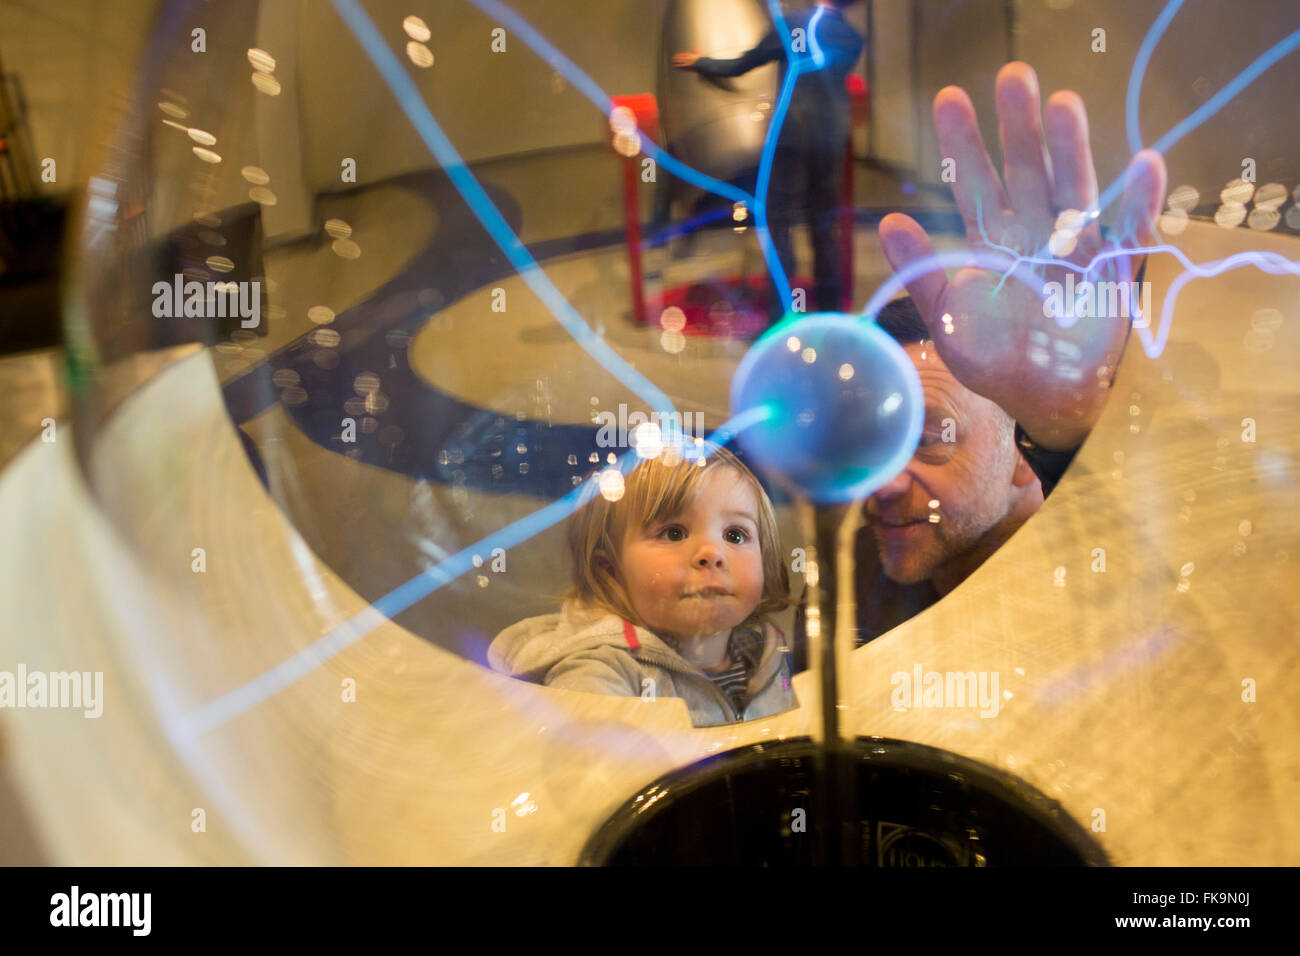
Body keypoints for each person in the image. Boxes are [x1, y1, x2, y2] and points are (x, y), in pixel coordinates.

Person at [795, 62, 1167, 662]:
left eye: (934, 437)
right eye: (877, 438)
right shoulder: (860, 571)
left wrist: (1070, 429)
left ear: (1023, 454)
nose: (883, 484)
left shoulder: (1101, 607)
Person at [489, 443, 796, 727]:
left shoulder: (765, 654)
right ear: (610, 569)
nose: (712, 554)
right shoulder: (600, 670)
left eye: (735, 535)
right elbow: (593, 769)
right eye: (674, 533)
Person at [673, 0, 865, 321]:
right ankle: (831, 313)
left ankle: (782, 315)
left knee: (779, 224)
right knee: (823, 224)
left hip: (790, 139)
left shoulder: (793, 25)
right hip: (830, 140)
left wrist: (700, 62)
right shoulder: (851, 37)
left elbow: (743, 64)